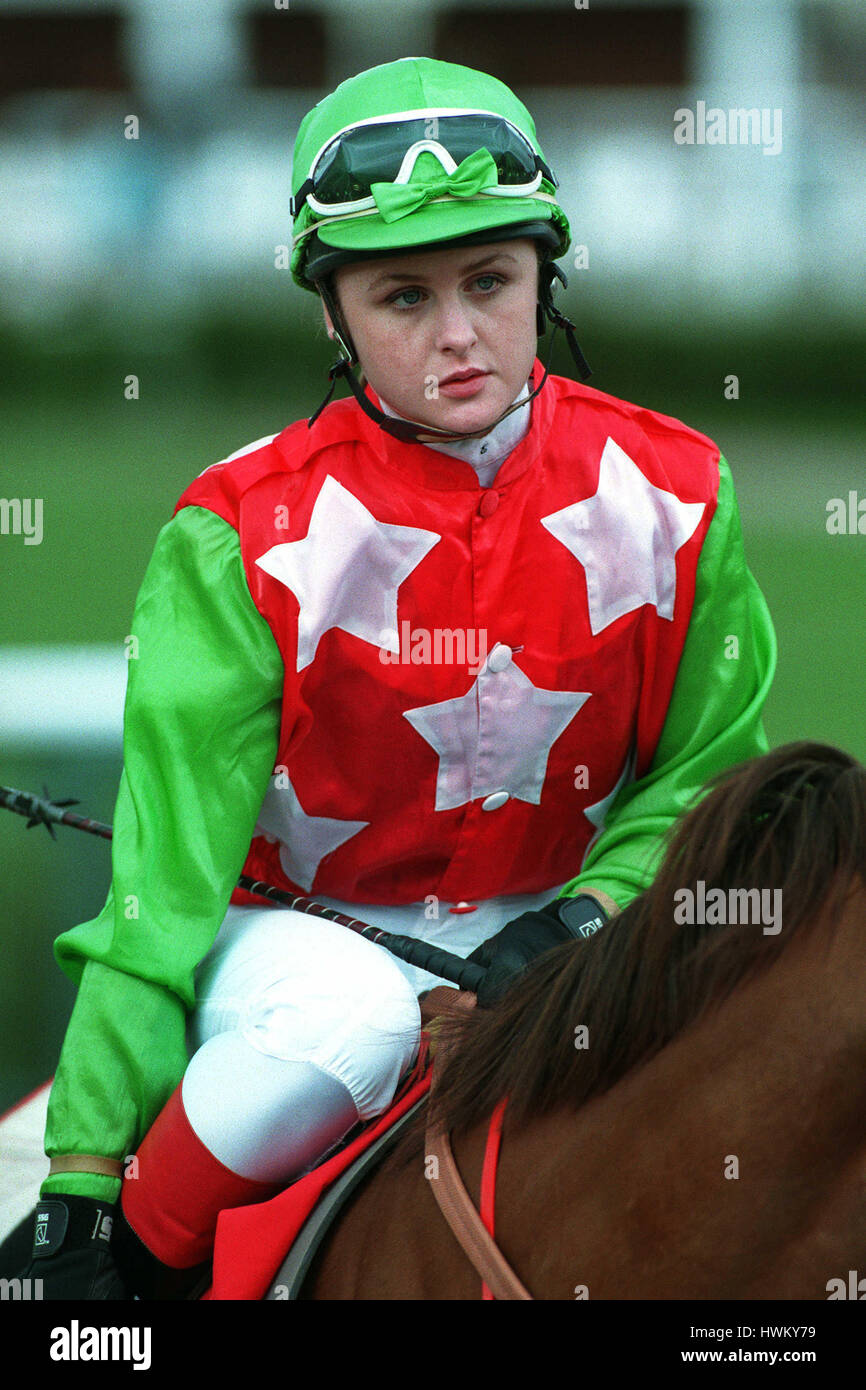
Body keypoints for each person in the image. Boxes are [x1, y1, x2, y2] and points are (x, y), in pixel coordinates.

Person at [18, 56, 776, 1299]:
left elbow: (707, 775)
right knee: (354, 1021)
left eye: (489, 281)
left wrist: (584, 918)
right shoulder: (230, 535)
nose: (458, 334)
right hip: (296, 950)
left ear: (546, 274)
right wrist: (87, 1175)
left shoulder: (683, 492)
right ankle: (143, 1267)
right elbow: (158, 890)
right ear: (332, 315)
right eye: (401, 297)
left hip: (578, 929)